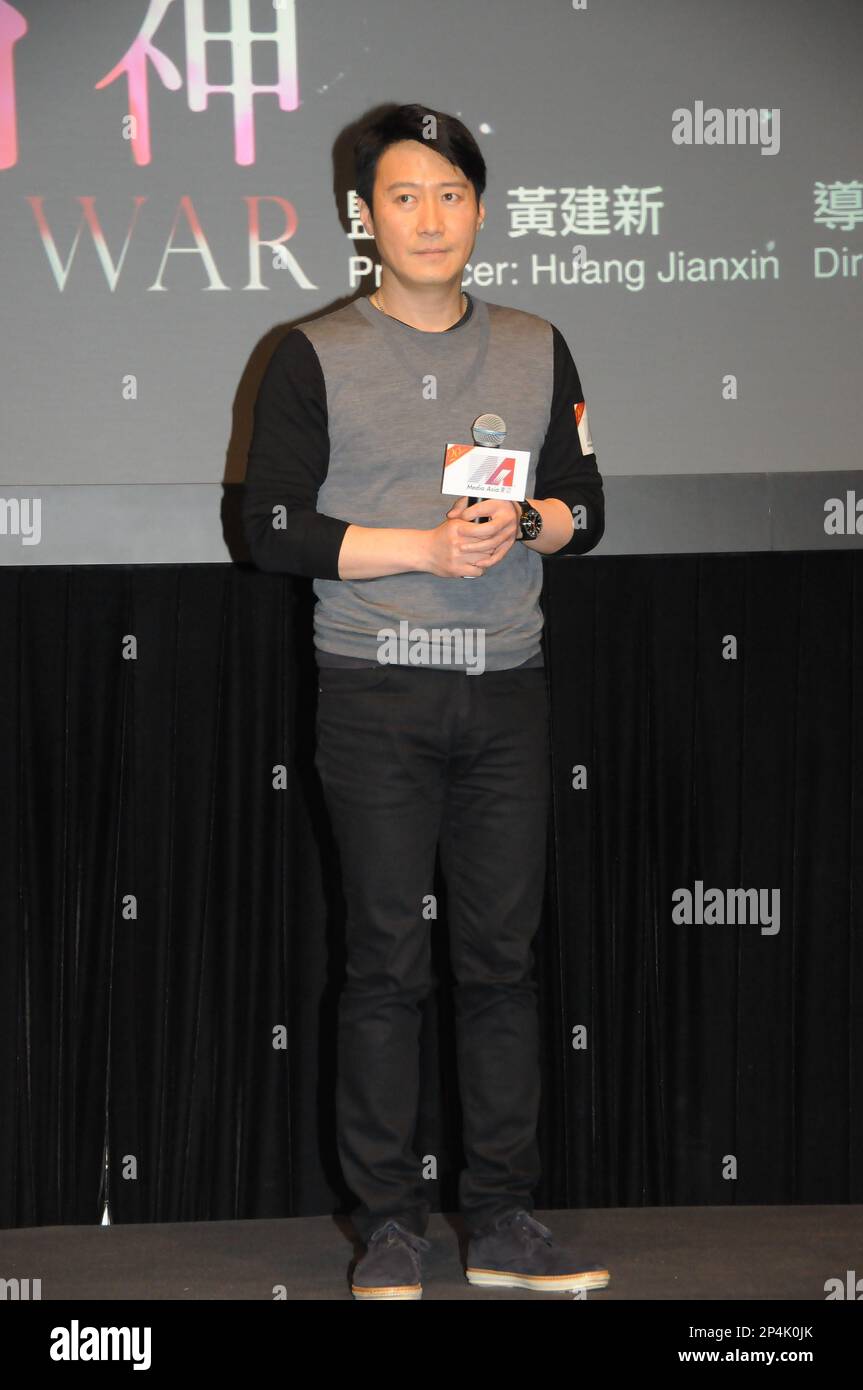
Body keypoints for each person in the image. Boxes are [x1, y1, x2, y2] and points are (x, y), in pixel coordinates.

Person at [242, 103, 609, 1299]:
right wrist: (420, 547)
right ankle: (389, 1225)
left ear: (480, 211)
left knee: (502, 965)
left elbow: (585, 504)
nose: (429, 216)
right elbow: (268, 527)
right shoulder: (308, 353)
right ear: (363, 217)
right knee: (386, 964)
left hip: (507, 694)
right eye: (404, 196)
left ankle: (502, 1219)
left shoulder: (536, 343)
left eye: (450, 194)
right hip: (374, 692)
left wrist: (531, 523)